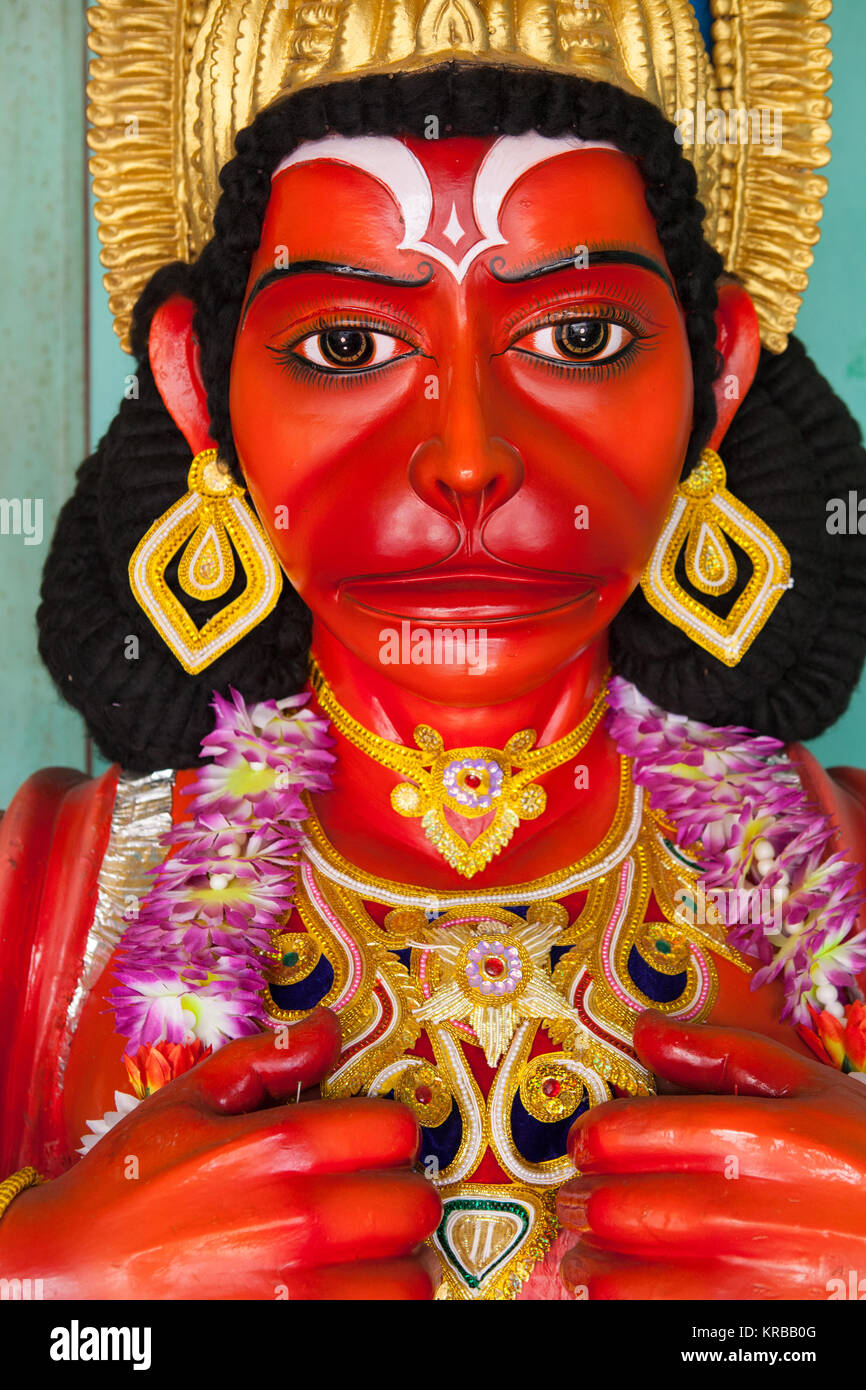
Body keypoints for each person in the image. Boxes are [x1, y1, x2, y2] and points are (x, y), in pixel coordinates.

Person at [2, 0, 866, 1301]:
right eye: (346, 345)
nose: (466, 456)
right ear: (198, 387)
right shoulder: (46, 913)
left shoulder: (841, 882)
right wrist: (55, 1291)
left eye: (578, 338)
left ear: (715, 372)